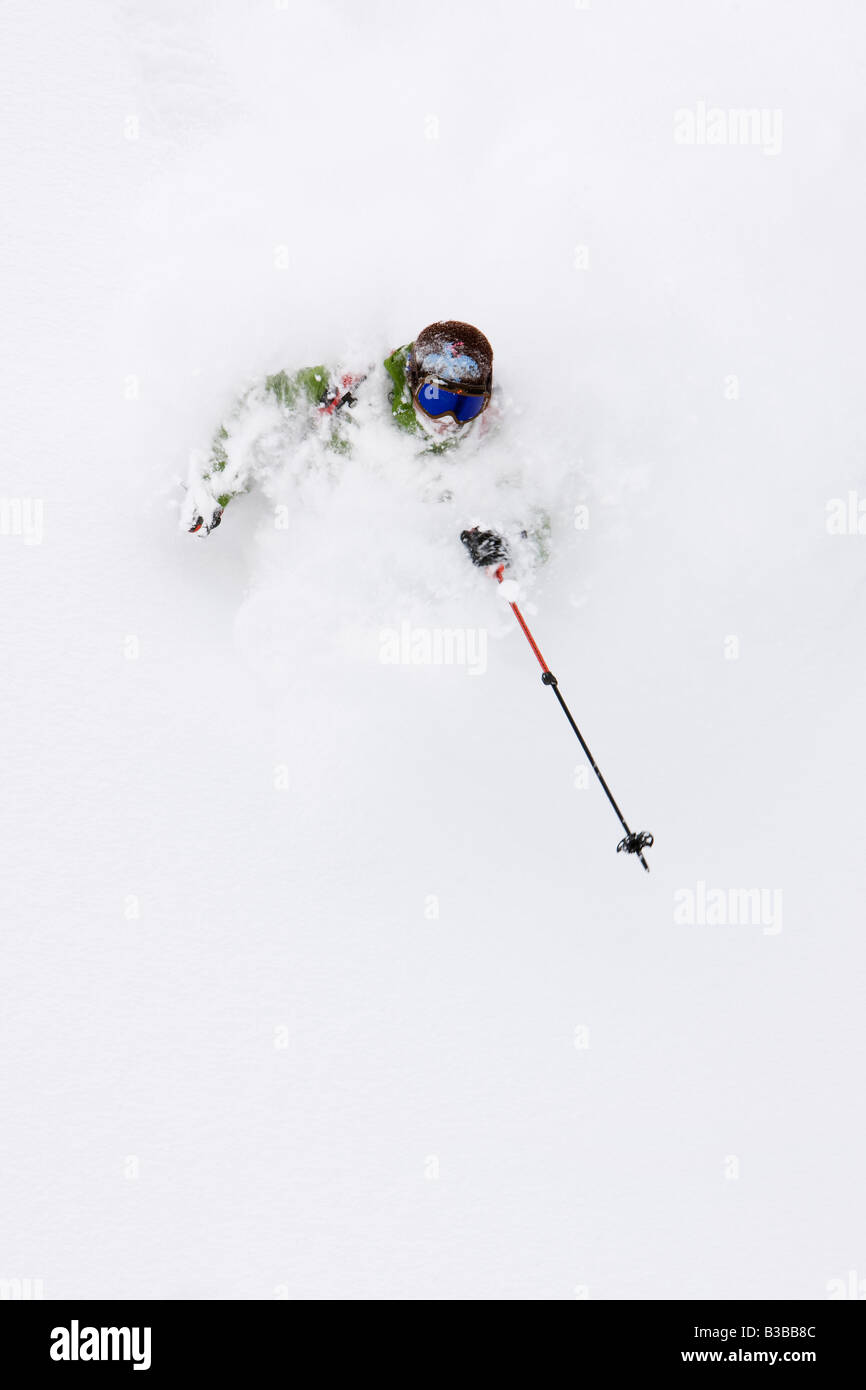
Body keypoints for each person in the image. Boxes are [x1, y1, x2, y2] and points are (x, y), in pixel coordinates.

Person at [183, 319, 518, 568]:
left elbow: (526, 505)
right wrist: (217, 483)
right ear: (412, 381)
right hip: (314, 536)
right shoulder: (359, 387)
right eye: (434, 398)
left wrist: (505, 543)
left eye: (467, 407)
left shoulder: (486, 438)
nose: (448, 419)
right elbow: (266, 401)